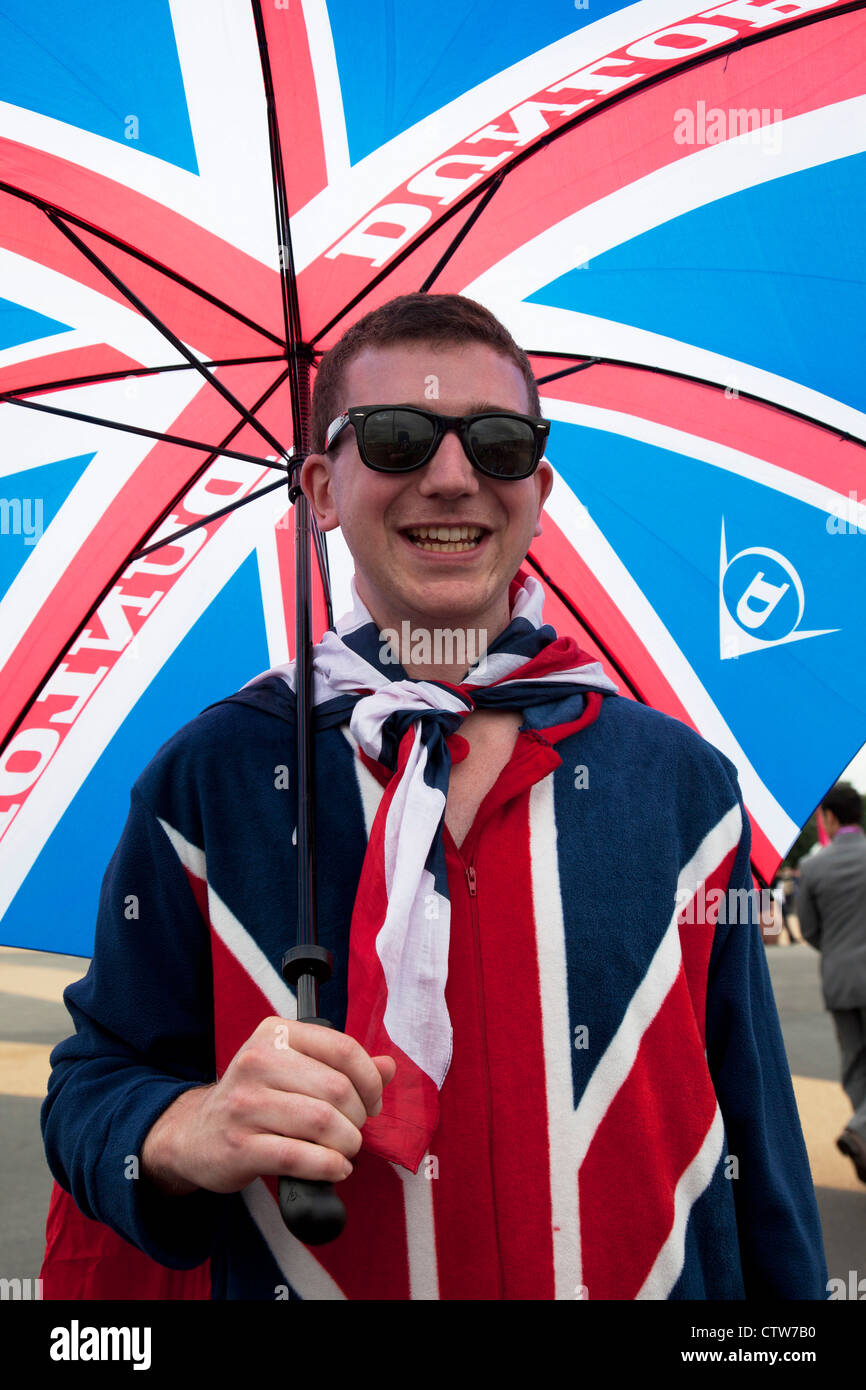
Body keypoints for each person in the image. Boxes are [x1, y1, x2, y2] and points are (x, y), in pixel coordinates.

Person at [41, 293, 828, 1300]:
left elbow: (757, 1154)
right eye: (398, 438)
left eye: (497, 444)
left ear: (536, 489)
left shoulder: (679, 787)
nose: (452, 477)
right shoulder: (209, 781)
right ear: (320, 488)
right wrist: (178, 1128)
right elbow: (92, 1081)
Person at [796, 782, 866, 1184]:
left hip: (839, 978)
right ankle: (860, 1130)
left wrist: (837, 950)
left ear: (831, 818)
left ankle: (861, 1129)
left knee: (856, 1062)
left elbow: (808, 929)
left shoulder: (813, 867)